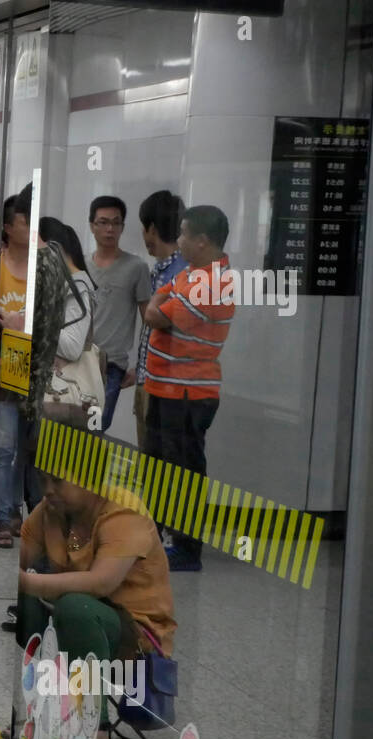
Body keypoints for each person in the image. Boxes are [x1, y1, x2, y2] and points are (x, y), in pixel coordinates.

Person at [14, 470, 176, 739]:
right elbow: (18, 559)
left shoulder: (124, 511)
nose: (47, 490)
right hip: (77, 621)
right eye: (41, 480)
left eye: (58, 480)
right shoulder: (53, 511)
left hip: (132, 639)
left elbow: (101, 583)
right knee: (31, 605)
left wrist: (28, 582)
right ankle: (45, 709)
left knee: (77, 608)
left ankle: (96, 729)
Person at [0, 184, 70, 547]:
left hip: (41, 371)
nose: (31, 228)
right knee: (1, 446)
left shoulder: (46, 266)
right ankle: (3, 517)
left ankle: (31, 516)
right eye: (23, 221)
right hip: (5, 366)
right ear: (7, 228)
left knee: (34, 450)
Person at [141, 205, 234, 572]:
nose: (177, 242)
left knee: (183, 471)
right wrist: (161, 302)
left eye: (182, 234)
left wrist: (159, 304)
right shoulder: (194, 275)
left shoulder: (211, 283)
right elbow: (160, 299)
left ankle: (185, 547)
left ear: (202, 240)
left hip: (188, 393)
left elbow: (153, 314)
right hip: (168, 387)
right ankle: (162, 536)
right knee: (161, 466)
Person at [84, 196, 152, 432]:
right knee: (71, 426)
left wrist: (139, 367)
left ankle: (89, 470)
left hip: (111, 363)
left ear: (123, 227)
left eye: (116, 223)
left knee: (97, 427)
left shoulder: (137, 268)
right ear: (92, 226)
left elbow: (149, 321)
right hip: (79, 359)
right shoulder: (81, 265)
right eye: (102, 222)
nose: (109, 229)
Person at [135, 191, 188, 455]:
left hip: (168, 385)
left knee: (164, 462)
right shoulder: (160, 269)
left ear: (152, 229)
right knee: (152, 460)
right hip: (151, 378)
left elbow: (163, 321)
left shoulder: (182, 273)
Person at [38, 217, 95, 367]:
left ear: (55, 248)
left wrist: (32, 322)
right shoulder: (58, 283)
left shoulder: (78, 288)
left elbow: (72, 347)